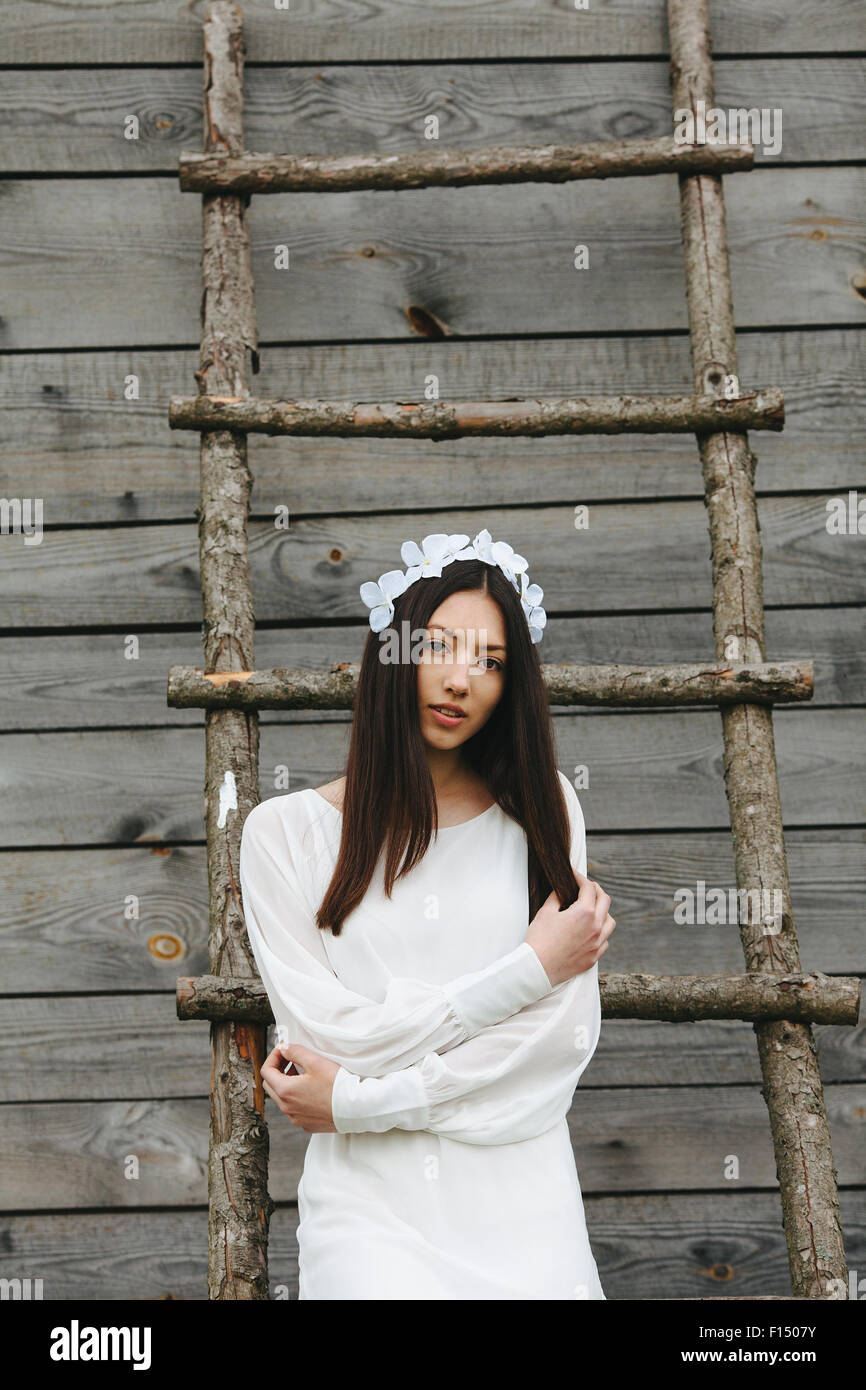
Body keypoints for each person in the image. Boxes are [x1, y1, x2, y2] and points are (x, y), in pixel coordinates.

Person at [238, 527, 616, 1299]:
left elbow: (556, 1041)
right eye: (440, 647)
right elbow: (329, 1037)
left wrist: (359, 1101)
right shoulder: (284, 836)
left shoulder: (545, 811)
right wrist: (528, 971)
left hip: (524, 1195)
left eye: (492, 662)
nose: (462, 681)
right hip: (370, 1213)